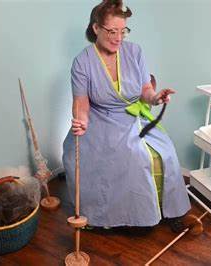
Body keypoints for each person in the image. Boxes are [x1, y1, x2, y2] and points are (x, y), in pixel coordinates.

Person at [62, 0, 190, 232]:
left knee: (167, 152)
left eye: (123, 31)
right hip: (100, 119)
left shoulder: (135, 52)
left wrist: (156, 97)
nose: (118, 38)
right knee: (129, 156)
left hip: (132, 117)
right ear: (96, 28)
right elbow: (81, 102)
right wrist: (81, 122)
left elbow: (145, 91)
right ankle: (115, 217)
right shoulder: (82, 62)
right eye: (112, 31)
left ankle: (159, 212)